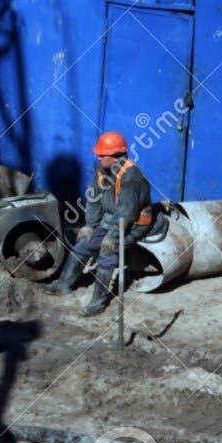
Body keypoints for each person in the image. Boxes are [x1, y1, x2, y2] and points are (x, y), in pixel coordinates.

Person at [45, 131, 154, 316]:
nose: (98, 157)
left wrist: (111, 236)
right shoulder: (102, 169)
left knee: (107, 251)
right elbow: (94, 200)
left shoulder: (131, 176)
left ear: (115, 157)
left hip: (134, 223)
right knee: (83, 245)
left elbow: (127, 212)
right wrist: (90, 225)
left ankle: (98, 302)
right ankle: (64, 285)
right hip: (111, 220)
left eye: (102, 154)